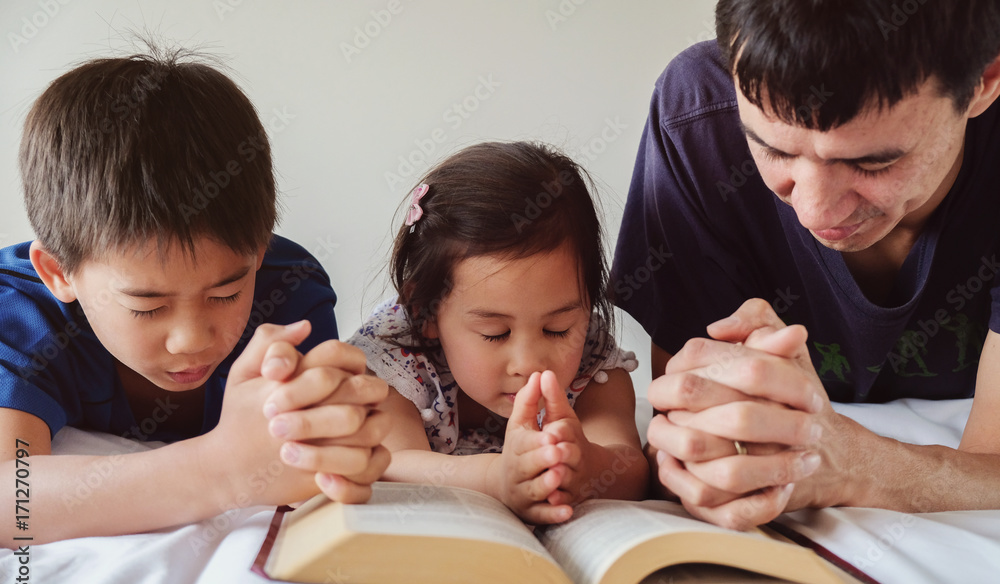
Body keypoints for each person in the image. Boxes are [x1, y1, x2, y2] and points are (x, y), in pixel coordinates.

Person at [611, 0, 1000, 529]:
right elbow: (686, 442)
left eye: (872, 162)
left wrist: (849, 463)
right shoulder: (699, 114)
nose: (815, 213)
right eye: (772, 150)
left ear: (983, 80)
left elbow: (990, 470)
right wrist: (700, 462)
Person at [0, 48, 390, 547]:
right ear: (58, 272)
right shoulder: (19, 311)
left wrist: (337, 444)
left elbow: (314, 456)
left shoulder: (288, 292)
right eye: (146, 306)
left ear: (259, 251)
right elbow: (10, 496)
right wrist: (218, 469)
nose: (191, 340)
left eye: (227, 293)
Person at [349, 142, 647, 524]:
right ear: (425, 311)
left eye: (557, 329)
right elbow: (391, 463)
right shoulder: (396, 362)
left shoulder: (592, 362)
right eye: (495, 333)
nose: (529, 363)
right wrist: (496, 477)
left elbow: (630, 466)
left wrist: (590, 465)